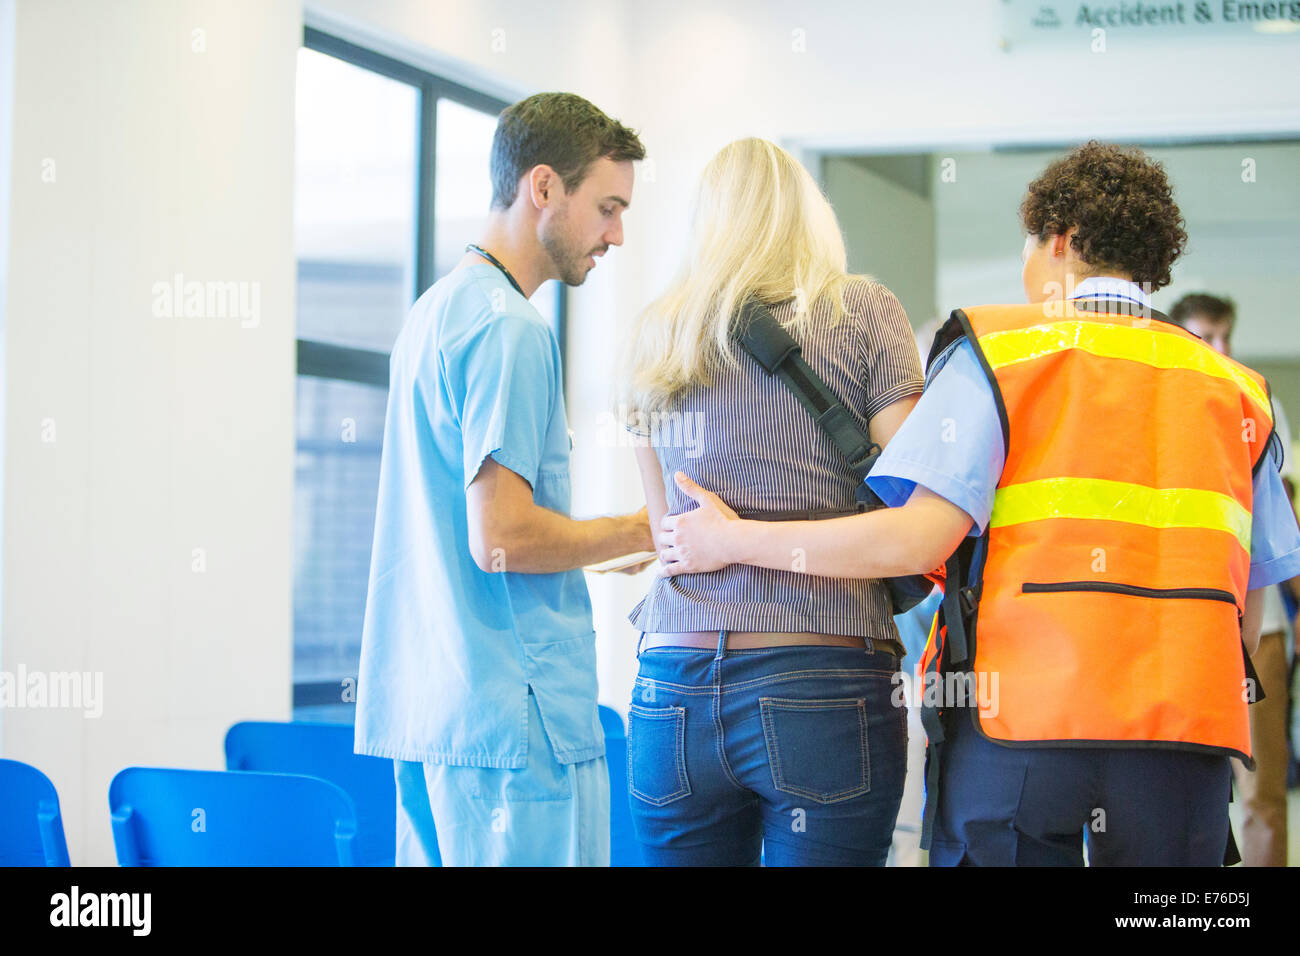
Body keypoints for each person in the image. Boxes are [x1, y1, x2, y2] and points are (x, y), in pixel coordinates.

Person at [654, 141, 1300, 866]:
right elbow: (1253, 585)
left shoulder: (999, 353)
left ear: (1057, 242)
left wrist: (735, 540)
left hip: (1018, 727)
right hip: (1183, 730)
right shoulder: (1238, 391)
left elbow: (921, 537)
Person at [353, 92, 651, 867]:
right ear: (544, 187)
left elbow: (472, 531)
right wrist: (647, 529)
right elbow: (505, 538)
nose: (617, 234)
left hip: (437, 716)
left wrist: (596, 547)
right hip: (514, 732)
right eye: (608, 207)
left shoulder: (434, 314)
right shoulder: (511, 329)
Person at [618, 137, 923, 866]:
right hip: (823, 680)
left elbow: (670, 536)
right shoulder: (864, 310)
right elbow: (915, 512)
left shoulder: (657, 334)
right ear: (808, 217)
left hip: (672, 688)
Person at [1170, 292, 1300, 867]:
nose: (1220, 349)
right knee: (1181, 795)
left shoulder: (1258, 400)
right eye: (1206, 336)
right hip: (1183, 627)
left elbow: (1283, 517)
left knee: (1261, 792)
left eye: (1226, 335)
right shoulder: (1165, 399)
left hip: (1260, 627)